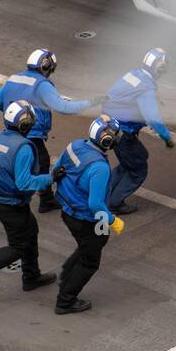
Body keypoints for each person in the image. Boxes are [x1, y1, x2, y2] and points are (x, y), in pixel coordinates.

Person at [0, 101, 67, 303]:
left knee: (31, 229)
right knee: (19, 246)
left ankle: (31, 276)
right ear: (26, 126)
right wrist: (51, 177)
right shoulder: (23, 148)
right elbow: (25, 183)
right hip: (11, 204)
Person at [0, 49, 97, 213]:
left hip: (13, 128)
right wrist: (89, 103)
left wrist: (14, 115)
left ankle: (46, 198)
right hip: (31, 132)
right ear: (46, 66)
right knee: (38, 163)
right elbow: (63, 107)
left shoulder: (14, 78)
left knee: (38, 161)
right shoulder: (41, 85)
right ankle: (40, 199)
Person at [52, 115, 126, 315]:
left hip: (67, 211)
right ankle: (65, 301)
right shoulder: (100, 168)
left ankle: (67, 272)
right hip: (86, 219)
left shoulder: (75, 145)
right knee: (90, 261)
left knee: (92, 244)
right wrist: (113, 221)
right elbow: (95, 204)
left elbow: (56, 168)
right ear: (107, 140)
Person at [102, 47, 174, 215]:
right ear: (160, 67)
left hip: (110, 126)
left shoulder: (134, 74)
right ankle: (114, 203)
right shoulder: (146, 88)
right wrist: (166, 137)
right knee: (138, 170)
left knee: (137, 158)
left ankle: (105, 192)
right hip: (123, 133)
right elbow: (153, 118)